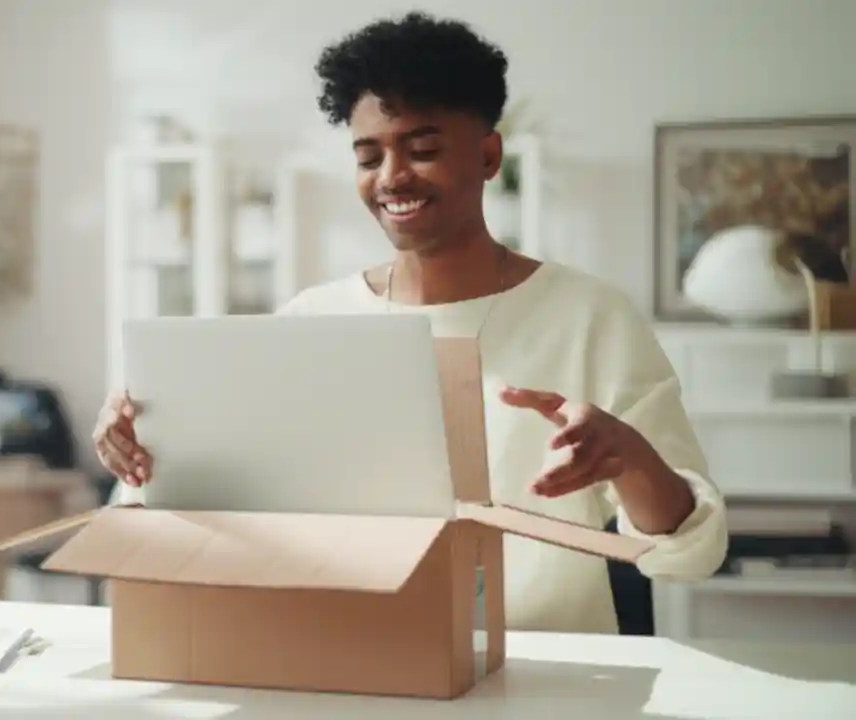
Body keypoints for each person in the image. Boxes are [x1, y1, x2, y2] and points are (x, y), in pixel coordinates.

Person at [92, 12, 727, 634]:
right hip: (357, 667)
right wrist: (144, 449)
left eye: (422, 150)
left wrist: (631, 460)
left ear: (487, 155)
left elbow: (693, 552)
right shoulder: (312, 322)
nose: (392, 178)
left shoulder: (590, 317)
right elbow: (210, 512)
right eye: (368, 158)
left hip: (545, 686)